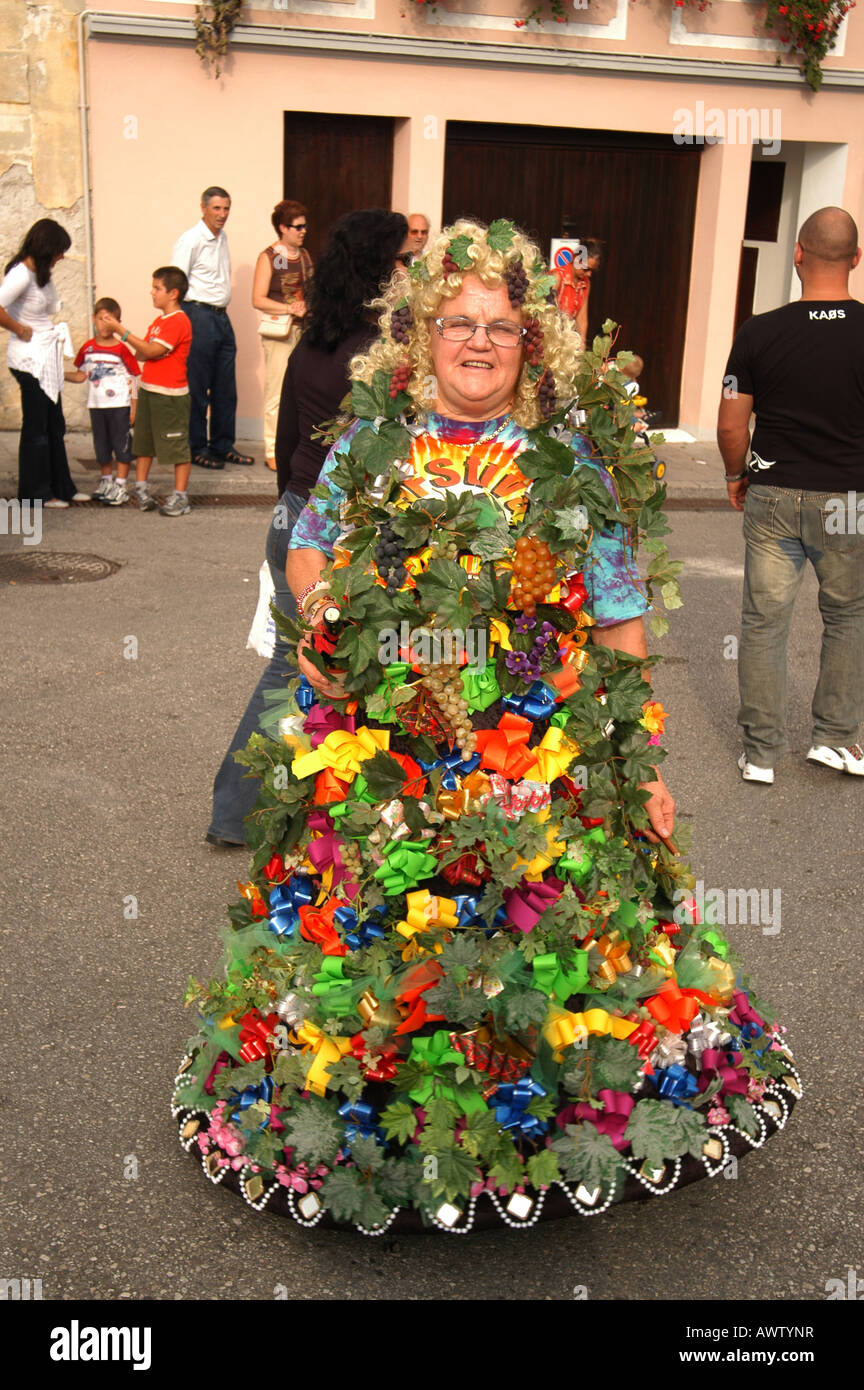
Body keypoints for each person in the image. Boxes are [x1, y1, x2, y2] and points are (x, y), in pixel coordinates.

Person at [177, 219, 799, 1234]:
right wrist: (325, 605)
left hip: (538, 756)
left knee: (545, 940)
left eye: (500, 326)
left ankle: (538, 1126)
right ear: (421, 334)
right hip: (392, 752)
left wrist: (636, 755)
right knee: (379, 942)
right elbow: (308, 547)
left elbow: (618, 609)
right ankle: (380, 1119)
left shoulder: (568, 457)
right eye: (457, 321)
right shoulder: (372, 442)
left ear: (531, 343)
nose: (477, 340)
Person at [206, 210, 409, 846]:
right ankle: (275, 818)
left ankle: (249, 814)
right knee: (323, 667)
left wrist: (292, 521)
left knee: (297, 665)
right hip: (342, 526)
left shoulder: (316, 339)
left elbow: (290, 432)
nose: (410, 269)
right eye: (402, 258)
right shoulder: (384, 353)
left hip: (297, 512)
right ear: (380, 267)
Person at [718, 205, 864, 784]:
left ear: (798, 255)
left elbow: (732, 426)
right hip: (849, 498)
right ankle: (834, 739)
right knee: (849, 616)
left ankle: (760, 754)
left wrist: (735, 475)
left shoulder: (759, 331)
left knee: (764, 624)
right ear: (855, 259)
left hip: (774, 492)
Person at [0, 218, 88, 507]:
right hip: (28, 360)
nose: (62, 257)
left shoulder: (41, 274)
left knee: (55, 426)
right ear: (46, 247)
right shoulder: (21, 274)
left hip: (44, 358)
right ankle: (36, 493)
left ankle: (62, 487)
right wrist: (18, 328)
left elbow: (47, 309)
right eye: (59, 251)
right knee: (37, 428)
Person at [99, 266, 193, 516]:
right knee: (144, 442)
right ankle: (141, 488)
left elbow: (150, 351)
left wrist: (121, 330)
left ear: (173, 293)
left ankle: (181, 496)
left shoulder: (179, 321)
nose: (151, 292)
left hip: (170, 395)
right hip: (150, 390)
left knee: (176, 446)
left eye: (157, 288)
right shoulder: (158, 322)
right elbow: (143, 350)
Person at [171, 187, 254, 470]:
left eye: (226, 208)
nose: (222, 214)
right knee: (198, 385)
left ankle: (222, 445)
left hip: (221, 315)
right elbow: (176, 284)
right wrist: (183, 322)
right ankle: (196, 446)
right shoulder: (190, 240)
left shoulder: (222, 237)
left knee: (225, 386)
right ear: (203, 208)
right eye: (217, 208)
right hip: (198, 314)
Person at [252, 200, 313, 472]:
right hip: (279, 332)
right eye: (297, 227)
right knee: (276, 392)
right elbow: (258, 298)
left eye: (304, 226)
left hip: (303, 329)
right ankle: (271, 448)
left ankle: (294, 446)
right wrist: (289, 308)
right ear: (282, 227)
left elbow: (311, 289)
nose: (303, 231)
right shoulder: (269, 257)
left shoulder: (305, 256)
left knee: (301, 389)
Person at [64, 297, 140, 502]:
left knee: (122, 445)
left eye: (110, 320)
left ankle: (121, 485)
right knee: (102, 445)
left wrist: (134, 407)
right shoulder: (88, 348)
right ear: (93, 319)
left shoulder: (121, 349)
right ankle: (106, 481)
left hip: (119, 406)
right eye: (100, 319)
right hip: (96, 406)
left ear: (118, 323)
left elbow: (134, 377)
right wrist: (59, 374)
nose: (104, 324)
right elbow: (81, 375)